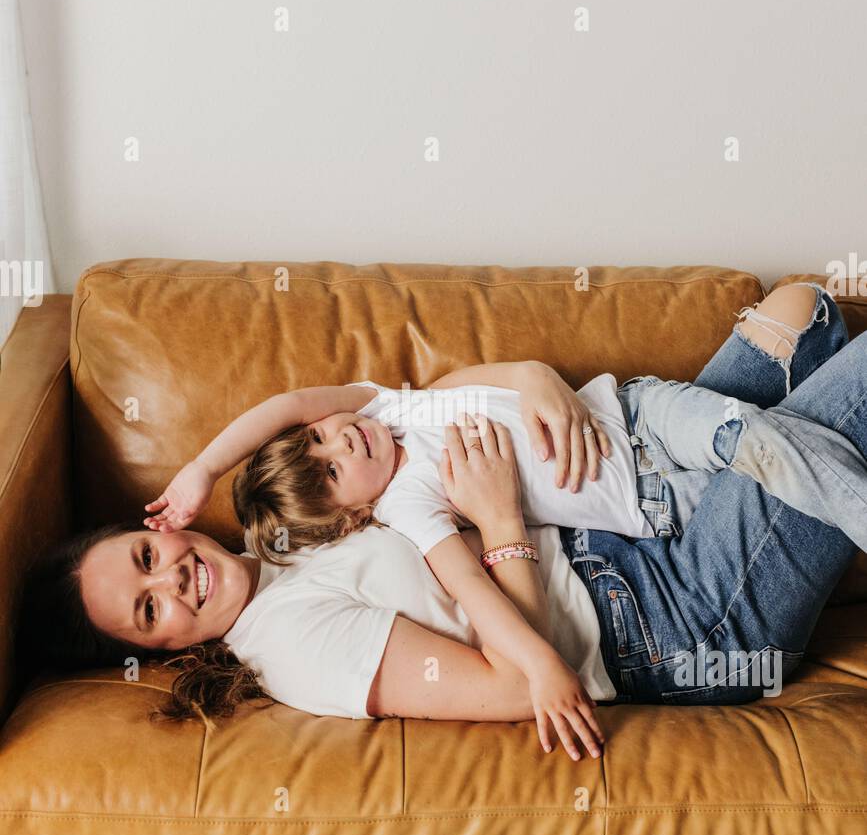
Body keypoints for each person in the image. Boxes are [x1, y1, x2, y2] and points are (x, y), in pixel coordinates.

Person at [16, 282, 867, 762]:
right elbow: (513, 683)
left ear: (158, 527)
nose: (172, 578)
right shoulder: (290, 643)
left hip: (621, 503)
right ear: (164, 650)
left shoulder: (280, 529)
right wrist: (498, 524)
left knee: (806, 316)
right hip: (670, 619)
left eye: (145, 557)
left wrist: (533, 380)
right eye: (150, 608)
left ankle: (823, 537)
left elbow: (415, 418)